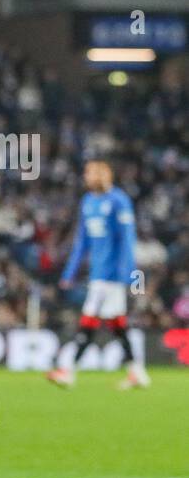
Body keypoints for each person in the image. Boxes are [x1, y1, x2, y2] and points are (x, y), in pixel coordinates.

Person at [46, 159, 148, 389]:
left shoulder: (119, 200)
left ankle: (68, 370)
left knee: (89, 318)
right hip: (97, 272)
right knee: (116, 323)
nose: (87, 177)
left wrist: (128, 273)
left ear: (104, 175)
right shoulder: (88, 202)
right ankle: (137, 371)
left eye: (91, 173)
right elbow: (82, 241)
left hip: (111, 274)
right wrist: (70, 272)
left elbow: (127, 239)